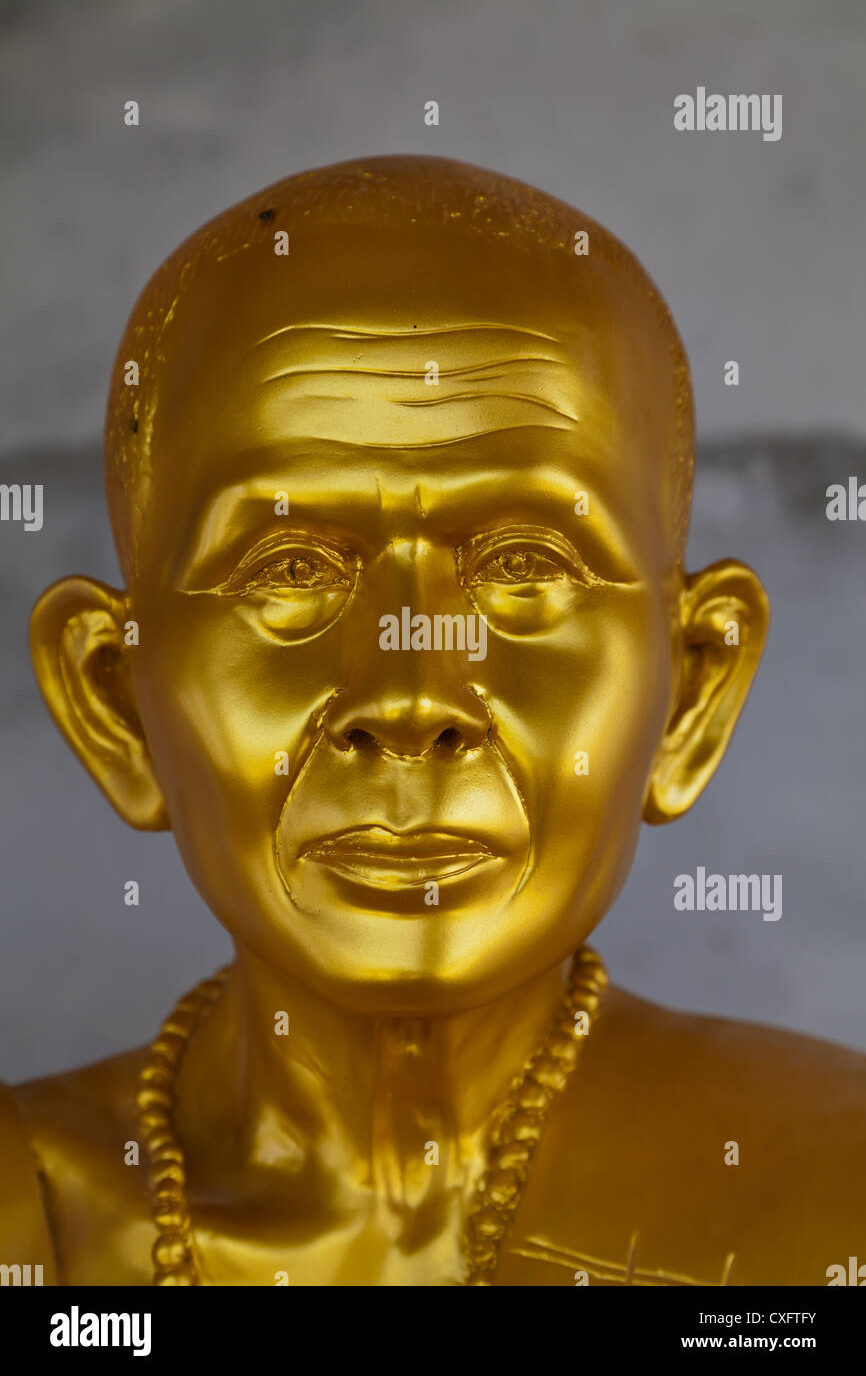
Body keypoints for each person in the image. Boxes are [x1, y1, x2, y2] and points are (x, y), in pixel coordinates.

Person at [1, 156, 862, 1286]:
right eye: (291, 570)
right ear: (117, 704)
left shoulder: (823, 1202)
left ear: (693, 687)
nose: (409, 693)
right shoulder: (39, 1219)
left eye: (523, 567)